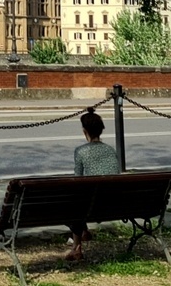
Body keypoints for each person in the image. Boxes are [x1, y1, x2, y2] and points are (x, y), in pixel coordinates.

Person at [66, 108, 118, 261]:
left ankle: (76, 246)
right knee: (85, 200)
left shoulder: (81, 151)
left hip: (91, 205)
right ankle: (84, 232)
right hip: (114, 204)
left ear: (84, 131)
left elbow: (78, 179)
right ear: (100, 130)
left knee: (74, 202)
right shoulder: (110, 150)